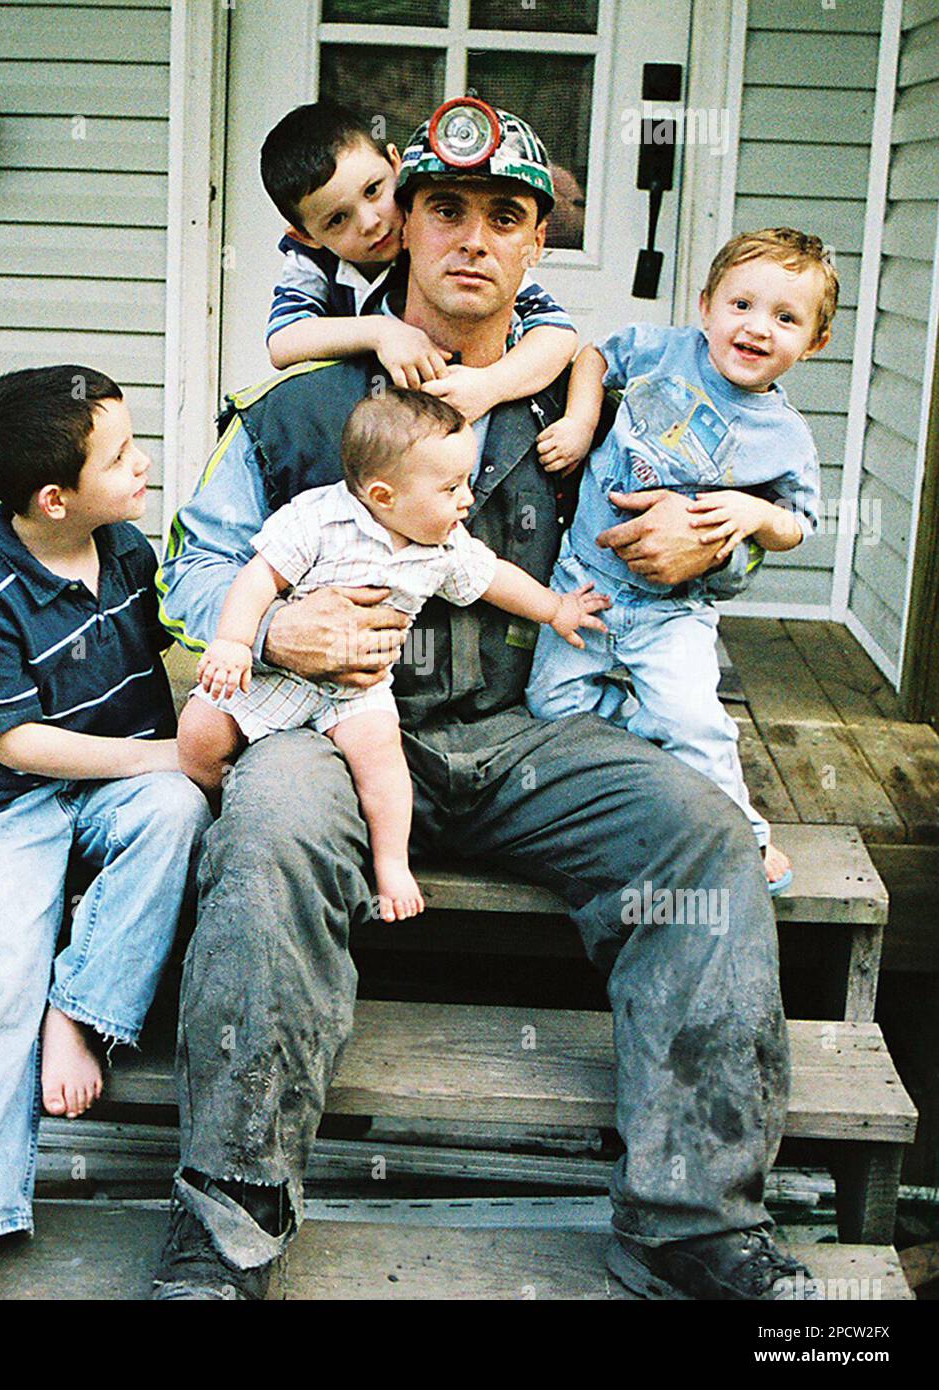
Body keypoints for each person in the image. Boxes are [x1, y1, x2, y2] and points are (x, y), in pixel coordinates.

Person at [153, 103, 820, 1302]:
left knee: (701, 837)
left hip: (536, 735)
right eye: (443, 209)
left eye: (503, 217)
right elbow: (187, 567)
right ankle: (229, 1232)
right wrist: (271, 626)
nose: (471, 238)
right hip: (334, 731)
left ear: (536, 244)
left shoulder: (602, 406)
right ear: (398, 227)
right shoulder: (298, 410)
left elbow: (738, 519)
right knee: (261, 834)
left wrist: (711, 546)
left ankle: (688, 1223)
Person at [0, 366, 211, 1299]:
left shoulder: (124, 550)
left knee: (180, 811)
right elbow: (16, 742)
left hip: (119, 783)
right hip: (5, 801)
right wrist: (164, 757)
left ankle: (77, 1010)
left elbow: (189, 638)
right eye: (123, 456)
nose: (147, 465)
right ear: (54, 498)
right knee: (1, 974)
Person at [181, 388, 609, 921]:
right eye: (451, 488)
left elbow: (495, 578)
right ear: (384, 496)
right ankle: (218, 811)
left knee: (382, 761)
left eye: (467, 483)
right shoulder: (317, 519)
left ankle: (391, 864)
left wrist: (555, 610)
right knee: (198, 735)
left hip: (358, 688)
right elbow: (257, 578)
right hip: (281, 673)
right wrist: (234, 642)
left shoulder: (445, 545)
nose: (467, 501)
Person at [528, 228, 837, 893]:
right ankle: (648, 731)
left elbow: (798, 525)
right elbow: (592, 358)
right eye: (742, 305)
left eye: (786, 319)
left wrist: (755, 514)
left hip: (674, 611)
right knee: (551, 703)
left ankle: (744, 837)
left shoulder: (784, 436)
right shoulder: (661, 350)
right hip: (585, 582)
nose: (758, 328)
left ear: (815, 342)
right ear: (705, 307)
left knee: (696, 723)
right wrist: (583, 422)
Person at [261, 99, 578, 422]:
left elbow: (558, 332)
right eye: (337, 219)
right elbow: (283, 340)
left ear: (395, 165)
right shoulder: (309, 261)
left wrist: (491, 386)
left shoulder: (453, 250)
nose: (370, 222)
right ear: (306, 236)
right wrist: (382, 332)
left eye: (373, 190)